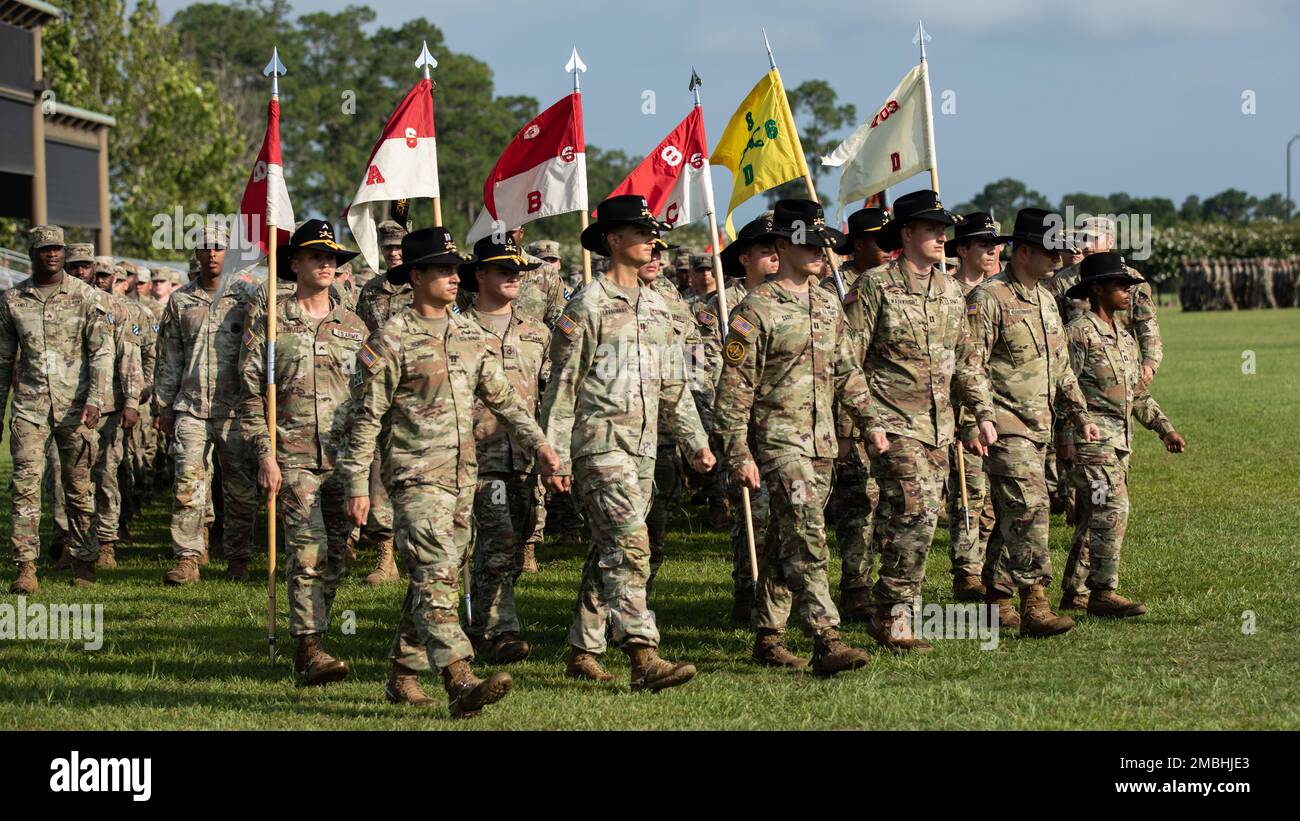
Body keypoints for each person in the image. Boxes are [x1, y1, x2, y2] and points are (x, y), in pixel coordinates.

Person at [340, 226, 560, 718]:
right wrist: (357, 483)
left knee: (432, 576)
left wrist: (541, 446)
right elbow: (364, 418)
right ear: (414, 276)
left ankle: (401, 674)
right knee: (437, 570)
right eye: (439, 268)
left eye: (452, 268)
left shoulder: (469, 335)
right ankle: (460, 677)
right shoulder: (390, 339)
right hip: (416, 477)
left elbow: (504, 400)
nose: (450, 276)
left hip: (464, 477)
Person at [541, 194, 713, 690]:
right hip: (600, 444)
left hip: (642, 449)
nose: (651, 241)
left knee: (611, 549)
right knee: (631, 544)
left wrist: (694, 441)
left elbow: (674, 385)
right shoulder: (586, 306)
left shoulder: (660, 307)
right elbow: (563, 384)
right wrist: (553, 452)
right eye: (641, 233)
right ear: (614, 241)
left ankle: (582, 647)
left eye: (652, 233)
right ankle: (643, 654)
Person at [714, 199, 876, 674]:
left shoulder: (827, 302)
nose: (821, 252)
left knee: (786, 538)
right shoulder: (754, 311)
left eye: (825, 244)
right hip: (778, 442)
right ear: (782, 246)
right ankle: (827, 637)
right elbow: (734, 389)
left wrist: (871, 425)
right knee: (808, 536)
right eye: (809, 244)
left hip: (822, 441)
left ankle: (767, 636)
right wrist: (737, 451)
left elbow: (847, 370)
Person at [840, 191, 996, 652]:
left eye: (943, 230)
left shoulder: (950, 290)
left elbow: (966, 361)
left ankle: (893, 601)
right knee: (918, 511)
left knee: (904, 518)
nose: (941, 238)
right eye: (931, 229)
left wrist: (982, 415)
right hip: (893, 422)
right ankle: (892, 614)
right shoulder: (875, 286)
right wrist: (866, 421)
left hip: (940, 426)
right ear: (906, 234)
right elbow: (847, 359)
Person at [239, 219, 367, 685]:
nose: (327, 264)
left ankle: (315, 634)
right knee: (308, 550)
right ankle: (309, 647)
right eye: (317, 256)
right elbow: (252, 393)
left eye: (332, 257)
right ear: (294, 264)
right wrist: (265, 454)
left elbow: (369, 395)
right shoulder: (272, 322)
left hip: (345, 459)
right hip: (291, 456)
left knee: (338, 553)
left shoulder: (354, 326)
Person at [968, 208, 1100, 636]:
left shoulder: (1045, 298)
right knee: (1031, 509)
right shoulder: (989, 299)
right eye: (1049, 251)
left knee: (1014, 512)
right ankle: (1034, 603)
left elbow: (1060, 366)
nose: (1059, 259)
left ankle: (996, 596)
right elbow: (970, 364)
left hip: (1040, 423)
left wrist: (1080, 414)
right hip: (1005, 424)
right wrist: (980, 417)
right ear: (1022, 251)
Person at [1058, 253, 1185, 617]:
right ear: (1097, 289)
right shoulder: (1078, 334)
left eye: (1130, 284)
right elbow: (1061, 387)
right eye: (1120, 285)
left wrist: (1165, 428)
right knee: (1114, 506)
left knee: (1094, 514)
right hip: (1089, 441)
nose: (1129, 290)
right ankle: (1103, 592)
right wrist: (1067, 439)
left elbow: (1137, 393)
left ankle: (1075, 592)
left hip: (1119, 441)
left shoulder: (1125, 338)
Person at [1, 226, 111, 592]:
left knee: (78, 486)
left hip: (75, 407)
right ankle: (25, 566)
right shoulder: (13, 300)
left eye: (57, 249)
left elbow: (101, 352)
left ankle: (83, 560)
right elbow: (3, 360)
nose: (52, 255)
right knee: (25, 486)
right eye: (45, 249)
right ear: (31, 252)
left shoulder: (85, 296)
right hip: (31, 407)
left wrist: (96, 398)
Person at [458, 234, 551, 663]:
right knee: (496, 540)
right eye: (502, 269)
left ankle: (474, 624)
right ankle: (499, 632)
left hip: (525, 457)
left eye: (517, 270)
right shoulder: (459, 330)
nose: (513, 276)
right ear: (479, 275)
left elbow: (550, 390)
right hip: (476, 457)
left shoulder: (537, 332)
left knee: (513, 547)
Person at [153, 224, 260, 584]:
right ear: (196, 254)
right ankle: (188, 558)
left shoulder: (248, 297)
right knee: (187, 485)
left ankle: (238, 559)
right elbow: (169, 356)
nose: (212, 253)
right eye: (205, 248)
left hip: (236, 409)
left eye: (219, 247)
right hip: (192, 407)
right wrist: (164, 405)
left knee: (240, 490)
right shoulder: (180, 300)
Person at [706, 216, 780, 622]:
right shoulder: (720, 306)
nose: (773, 257)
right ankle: (747, 589)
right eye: (764, 250)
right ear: (745, 257)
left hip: (788, 423)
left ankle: (780, 596)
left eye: (777, 249)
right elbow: (704, 367)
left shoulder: (796, 299)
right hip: (741, 423)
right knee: (754, 514)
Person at [823, 207, 891, 619]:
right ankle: (855, 585)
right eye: (879, 240)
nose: (888, 248)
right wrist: (849, 425)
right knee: (857, 503)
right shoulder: (834, 287)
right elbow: (844, 364)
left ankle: (891, 584)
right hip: (845, 410)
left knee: (893, 503)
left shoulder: (894, 284)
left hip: (893, 412)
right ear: (860, 243)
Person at [941, 212, 1008, 601]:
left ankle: (988, 570)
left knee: (997, 499)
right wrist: (967, 418)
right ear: (962, 249)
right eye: (983, 243)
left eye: (995, 243)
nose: (992, 249)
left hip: (1000, 409)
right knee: (969, 492)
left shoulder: (1001, 292)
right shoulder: (947, 292)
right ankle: (966, 572)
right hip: (959, 411)